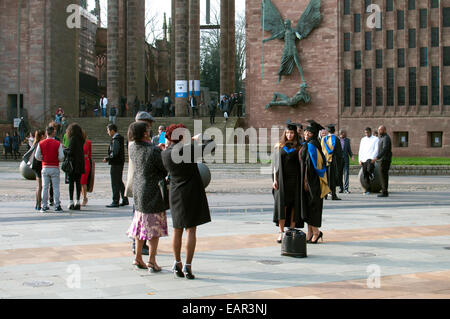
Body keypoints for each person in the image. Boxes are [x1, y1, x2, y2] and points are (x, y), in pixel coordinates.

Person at [161, 124, 214, 280]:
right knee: (191, 230)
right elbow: (211, 146)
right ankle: (188, 266)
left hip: (176, 193)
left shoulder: (165, 153)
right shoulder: (187, 150)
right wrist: (197, 138)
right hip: (191, 192)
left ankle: (177, 262)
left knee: (177, 230)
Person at [126, 121, 169, 271]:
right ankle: (152, 261)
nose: (149, 131)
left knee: (140, 226)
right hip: (152, 191)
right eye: (148, 130)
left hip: (138, 190)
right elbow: (164, 169)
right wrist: (162, 151)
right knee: (153, 229)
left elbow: (146, 155)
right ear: (144, 133)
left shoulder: (133, 148)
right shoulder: (153, 151)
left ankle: (137, 258)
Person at [125, 111, 155, 256]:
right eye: (148, 126)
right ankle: (137, 245)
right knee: (138, 215)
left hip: (140, 182)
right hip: (141, 183)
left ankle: (140, 245)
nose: (149, 129)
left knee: (139, 214)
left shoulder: (137, 140)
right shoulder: (135, 142)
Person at [300, 121, 331, 244]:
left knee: (313, 206)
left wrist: (319, 179)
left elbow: (318, 166)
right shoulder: (307, 144)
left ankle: (316, 232)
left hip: (313, 182)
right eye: (306, 131)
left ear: (313, 134)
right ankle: (310, 232)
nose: (307, 133)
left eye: (310, 132)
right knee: (307, 206)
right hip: (306, 180)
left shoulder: (312, 145)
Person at [272, 122, 303, 244]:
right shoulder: (279, 146)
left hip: (295, 179)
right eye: (288, 133)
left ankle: (292, 229)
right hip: (282, 180)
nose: (290, 135)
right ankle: (281, 231)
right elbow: (275, 164)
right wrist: (274, 179)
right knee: (282, 205)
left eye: (292, 133)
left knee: (294, 205)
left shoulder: (299, 147)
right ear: (285, 133)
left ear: (295, 134)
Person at [35, 126, 65, 213]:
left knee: (45, 187)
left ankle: (44, 206)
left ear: (46, 133)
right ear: (53, 133)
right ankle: (57, 205)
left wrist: (43, 159)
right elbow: (62, 157)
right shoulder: (57, 143)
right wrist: (57, 159)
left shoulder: (41, 143)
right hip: (54, 166)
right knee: (55, 187)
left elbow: (37, 156)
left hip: (45, 166)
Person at [103, 124, 128, 208]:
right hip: (119, 162)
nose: (107, 132)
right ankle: (125, 199)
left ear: (112, 130)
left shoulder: (116, 139)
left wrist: (108, 158)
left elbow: (115, 152)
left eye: (108, 130)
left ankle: (115, 200)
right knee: (119, 181)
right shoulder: (118, 139)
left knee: (115, 182)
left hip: (116, 163)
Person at [64, 123, 85, 210]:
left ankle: (71, 201)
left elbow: (71, 152)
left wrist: (64, 150)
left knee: (71, 183)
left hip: (73, 164)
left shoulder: (73, 139)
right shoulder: (81, 139)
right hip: (80, 164)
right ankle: (78, 201)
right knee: (78, 183)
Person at [321, 124, 344, 200]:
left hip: (324, 161)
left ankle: (325, 195)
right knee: (332, 179)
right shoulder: (336, 139)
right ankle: (333, 194)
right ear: (334, 131)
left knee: (326, 178)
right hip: (332, 162)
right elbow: (339, 153)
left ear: (328, 131)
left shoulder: (323, 139)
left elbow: (321, 150)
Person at [358, 127, 379, 195]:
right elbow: (360, 150)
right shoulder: (363, 139)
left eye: (367, 132)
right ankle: (367, 189)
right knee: (365, 174)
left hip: (370, 158)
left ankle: (371, 173)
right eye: (365, 133)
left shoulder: (375, 139)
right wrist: (360, 159)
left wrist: (373, 158)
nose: (366, 134)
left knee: (369, 169)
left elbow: (376, 149)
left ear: (370, 132)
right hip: (364, 158)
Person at [373, 125, 392, 198]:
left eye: (380, 130)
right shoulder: (381, 138)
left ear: (384, 130)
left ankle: (384, 191)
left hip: (384, 160)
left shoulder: (386, 138)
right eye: (378, 130)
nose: (379, 131)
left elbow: (385, 149)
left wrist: (377, 157)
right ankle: (384, 190)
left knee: (384, 176)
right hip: (381, 160)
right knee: (382, 176)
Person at [339, 129, 354, 194]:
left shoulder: (347, 140)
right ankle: (341, 188)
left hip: (345, 159)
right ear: (342, 134)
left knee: (346, 174)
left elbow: (349, 150)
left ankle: (346, 189)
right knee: (339, 174)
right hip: (339, 159)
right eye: (345, 133)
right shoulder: (337, 140)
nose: (346, 134)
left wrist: (352, 156)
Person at [80, 130, 92, 207]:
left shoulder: (88, 142)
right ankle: (83, 196)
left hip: (86, 162)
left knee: (83, 181)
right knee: (80, 181)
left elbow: (89, 154)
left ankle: (84, 198)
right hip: (80, 162)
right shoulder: (77, 142)